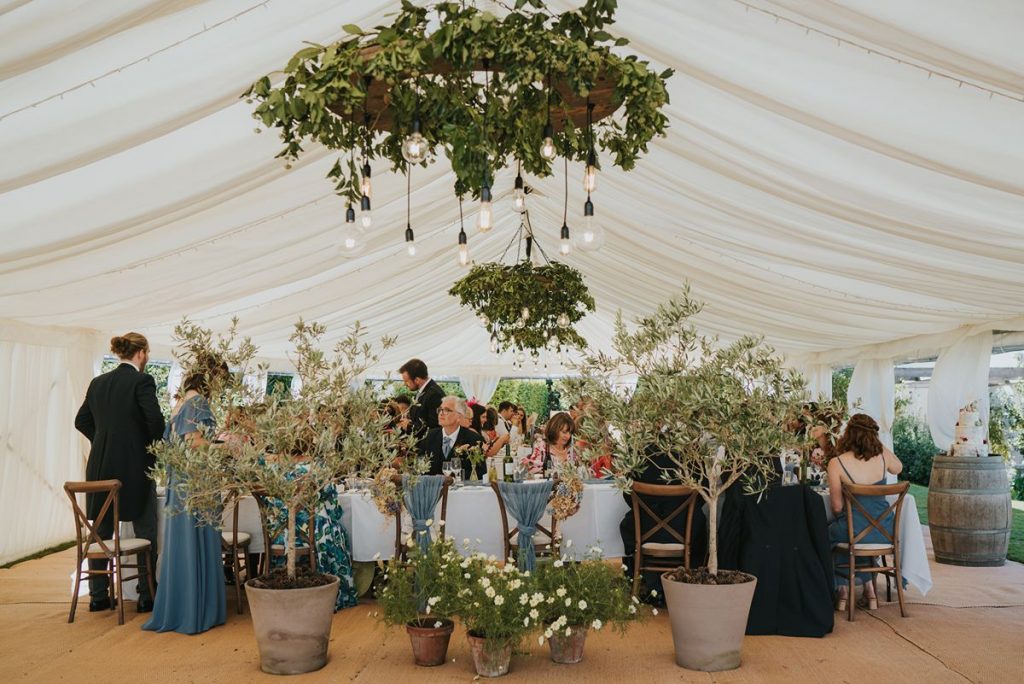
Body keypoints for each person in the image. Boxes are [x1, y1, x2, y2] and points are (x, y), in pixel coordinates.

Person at [74, 332, 165, 613]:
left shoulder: (98, 382)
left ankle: (99, 596)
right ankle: (146, 593)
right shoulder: (142, 380)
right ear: (141, 353)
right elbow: (156, 423)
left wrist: (102, 441)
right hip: (136, 466)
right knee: (145, 527)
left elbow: (81, 421)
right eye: (147, 353)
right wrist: (142, 446)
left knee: (100, 529)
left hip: (99, 468)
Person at [143, 359, 229, 634]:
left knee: (183, 545)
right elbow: (194, 442)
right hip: (196, 483)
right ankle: (197, 611)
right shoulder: (199, 402)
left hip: (180, 482)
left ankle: (186, 606)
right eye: (222, 381)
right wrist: (226, 447)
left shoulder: (180, 403)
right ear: (212, 379)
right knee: (196, 540)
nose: (223, 388)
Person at [827, 413, 903, 611]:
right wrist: (879, 446)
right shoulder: (882, 457)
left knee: (837, 532)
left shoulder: (837, 463)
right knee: (857, 532)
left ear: (848, 435)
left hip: (855, 531)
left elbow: (836, 507)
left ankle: (842, 590)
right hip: (885, 531)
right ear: (874, 436)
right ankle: (869, 589)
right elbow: (898, 467)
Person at [418, 396, 484, 479]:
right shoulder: (429, 436)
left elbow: (481, 472)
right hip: (433, 489)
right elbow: (420, 465)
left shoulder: (473, 439)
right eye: (440, 409)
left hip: (461, 490)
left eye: (447, 410)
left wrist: (454, 479)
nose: (441, 413)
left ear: (459, 417)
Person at [399, 359, 444, 437]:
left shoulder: (434, 394)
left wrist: (409, 426)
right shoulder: (423, 391)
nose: (405, 384)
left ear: (417, 380)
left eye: (406, 381)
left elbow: (434, 427)